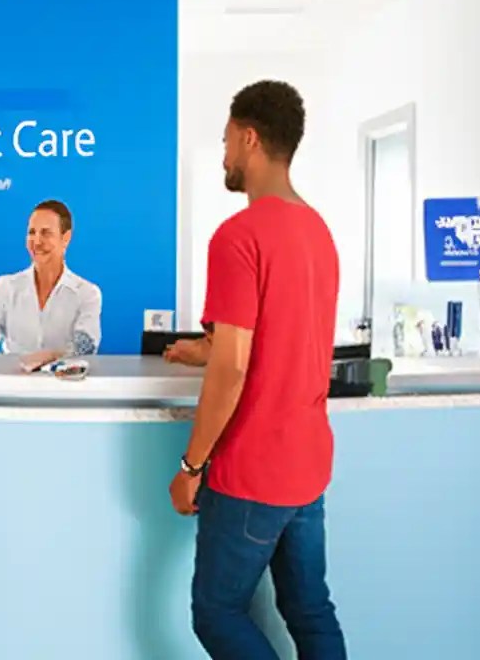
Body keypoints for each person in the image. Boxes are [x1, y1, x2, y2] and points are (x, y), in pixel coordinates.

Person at [165, 80, 346, 659]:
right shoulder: (319, 231)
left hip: (254, 469)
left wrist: (192, 465)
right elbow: (278, 334)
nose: (223, 155)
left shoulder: (239, 236)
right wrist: (209, 348)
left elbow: (234, 369)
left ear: (249, 138)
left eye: (225, 141)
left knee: (216, 612)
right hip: (309, 464)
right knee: (311, 610)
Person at [0, 200, 102, 357]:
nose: (37, 242)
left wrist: (48, 358)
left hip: (64, 380)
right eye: (32, 232)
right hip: (13, 380)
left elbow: (86, 344)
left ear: (66, 238)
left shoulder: (87, 293)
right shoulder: (6, 286)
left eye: (46, 233)